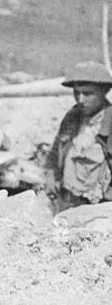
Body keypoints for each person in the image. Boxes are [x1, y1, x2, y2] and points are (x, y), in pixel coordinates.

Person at [43, 61, 112, 211]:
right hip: (67, 199)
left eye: (88, 94)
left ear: (104, 91)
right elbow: (55, 150)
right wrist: (50, 175)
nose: (80, 100)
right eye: (76, 93)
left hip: (98, 206)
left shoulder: (110, 121)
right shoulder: (73, 116)